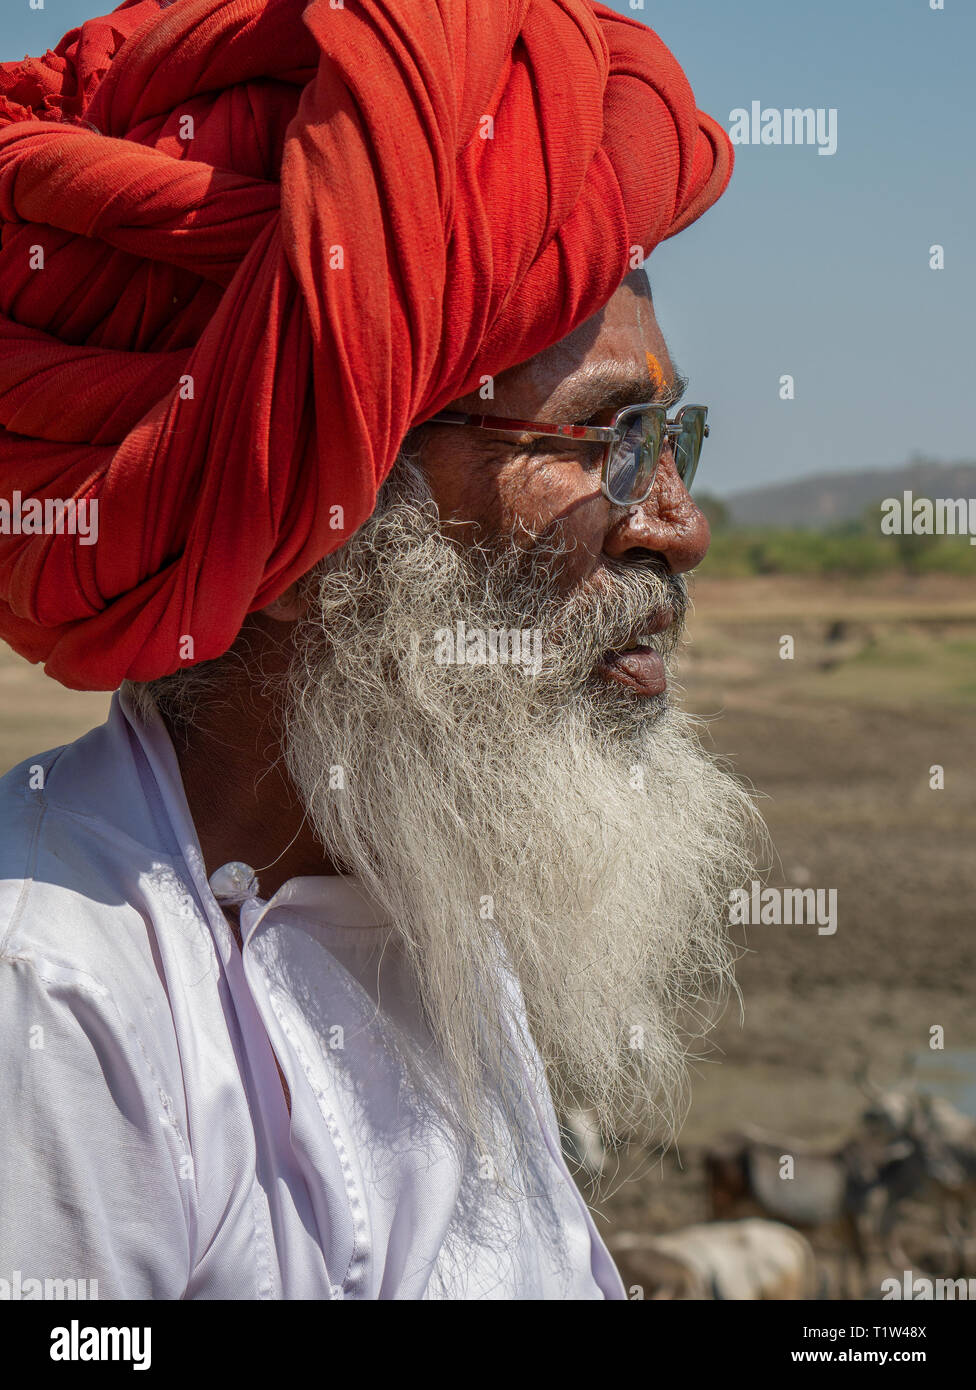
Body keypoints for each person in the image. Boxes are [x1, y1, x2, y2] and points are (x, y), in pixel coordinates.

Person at [0, 0, 757, 1299]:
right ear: (309, 540)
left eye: (674, 437)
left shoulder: (438, 913)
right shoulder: (56, 1003)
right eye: (609, 444)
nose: (679, 530)